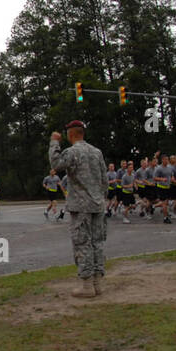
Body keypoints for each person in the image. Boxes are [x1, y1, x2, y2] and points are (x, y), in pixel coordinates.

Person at [49, 120, 108, 297]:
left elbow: (56, 164)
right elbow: (104, 179)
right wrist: (100, 198)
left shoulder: (73, 152)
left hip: (81, 206)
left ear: (71, 134)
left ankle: (86, 285)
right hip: (97, 204)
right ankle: (98, 283)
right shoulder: (96, 152)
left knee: (82, 244)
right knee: (97, 243)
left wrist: (54, 142)